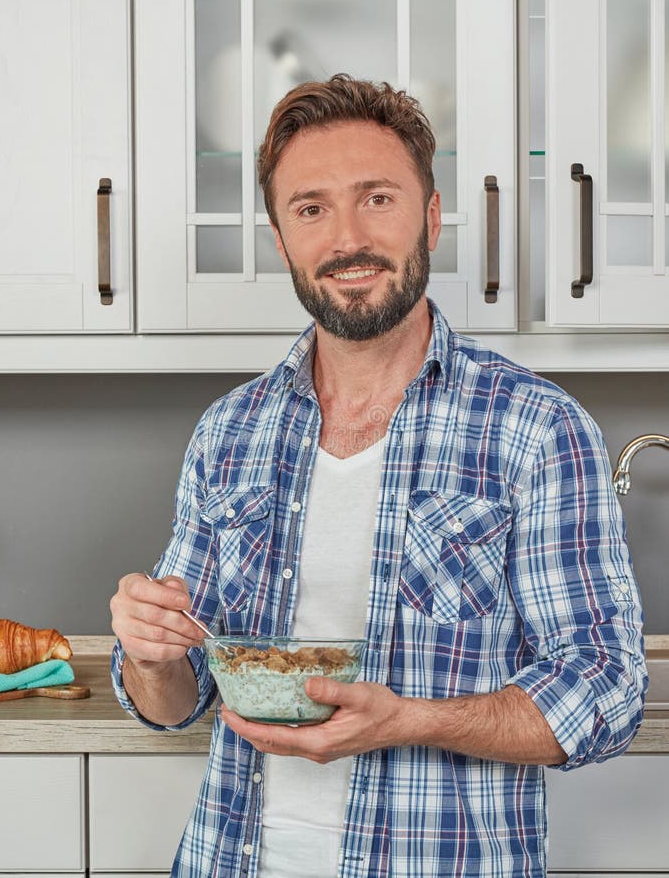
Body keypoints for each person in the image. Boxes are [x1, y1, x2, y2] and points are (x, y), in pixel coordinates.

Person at [110, 74, 647, 878]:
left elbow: (606, 687)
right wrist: (151, 656)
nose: (347, 239)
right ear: (282, 236)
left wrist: (410, 719)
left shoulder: (538, 429)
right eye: (311, 208)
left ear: (430, 216)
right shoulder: (229, 433)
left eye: (378, 199)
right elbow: (181, 701)